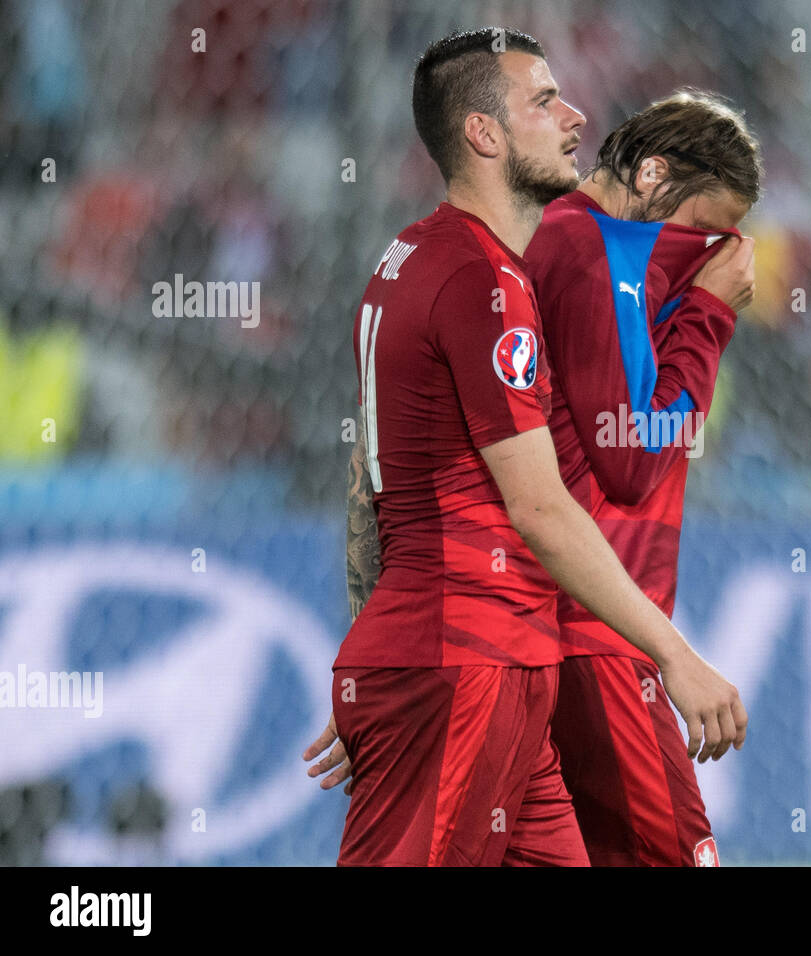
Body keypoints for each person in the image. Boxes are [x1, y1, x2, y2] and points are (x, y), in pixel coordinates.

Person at [303, 28, 746, 867]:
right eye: (544, 100)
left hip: (476, 661)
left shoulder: (408, 259)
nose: (576, 117)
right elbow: (542, 508)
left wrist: (379, 661)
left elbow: (372, 486)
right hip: (467, 660)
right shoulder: (488, 283)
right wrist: (676, 659)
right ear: (485, 134)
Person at [524, 91, 760, 866]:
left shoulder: (586, 246)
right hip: (596, 635)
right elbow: (631, 456)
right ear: (651, 175)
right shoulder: (596, 253)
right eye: (702, 229)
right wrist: (710, 313)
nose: (713, 252)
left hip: (571, 626)